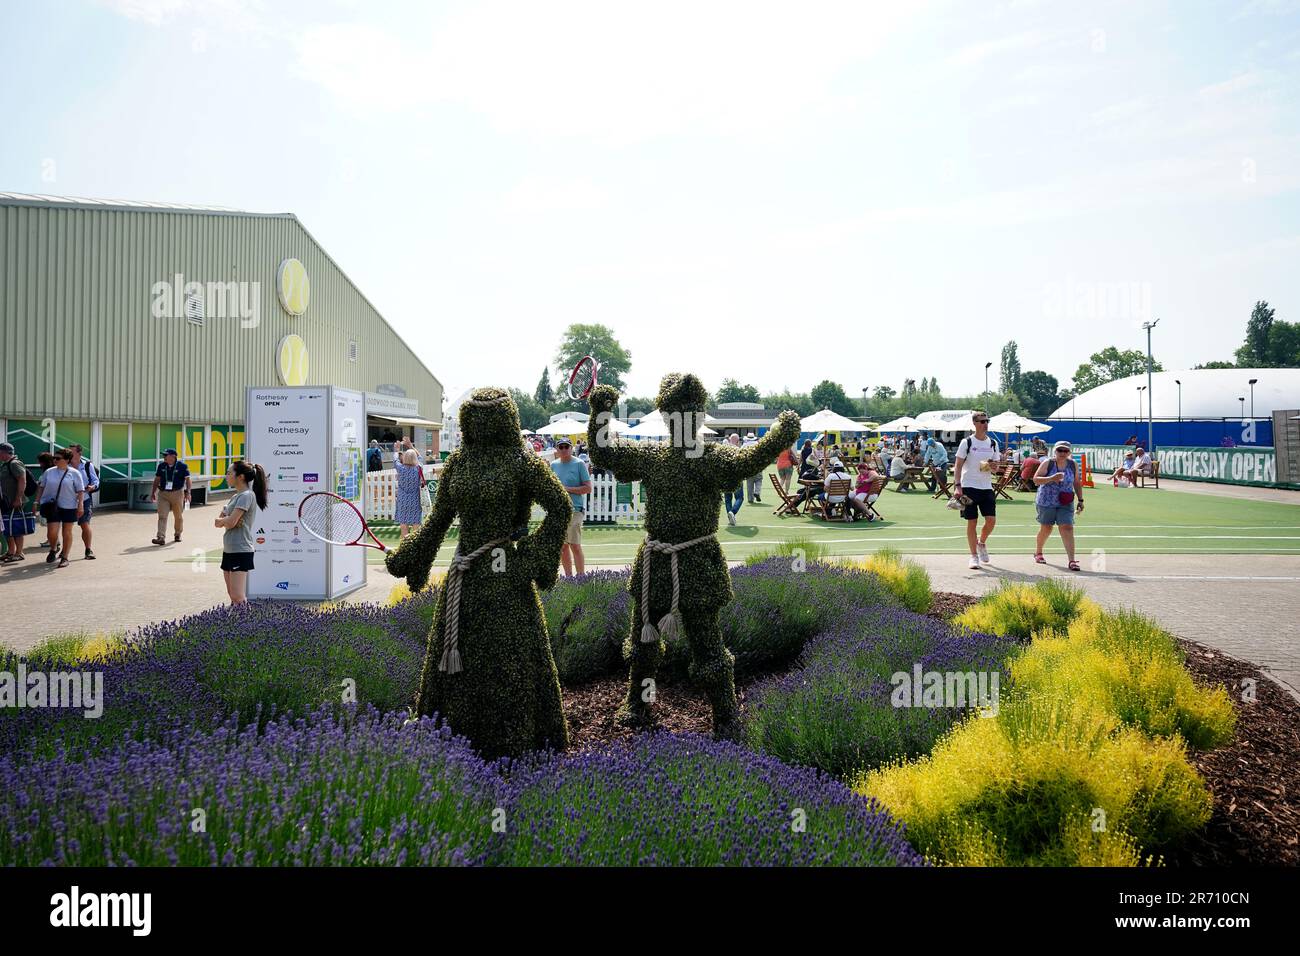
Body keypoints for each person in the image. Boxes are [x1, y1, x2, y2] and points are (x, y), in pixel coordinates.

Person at [214, 460, 267, 605]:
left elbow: (229, 522)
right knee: (232, 595)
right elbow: (219, 522)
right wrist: (228, 520)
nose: (226, 476)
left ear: (241, 477)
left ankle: (248, 626)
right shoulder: (234, 497)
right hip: (229, 549)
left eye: (229, 473)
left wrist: (227, 520)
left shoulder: (247, 496)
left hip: (241, 549)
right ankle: (237, 625)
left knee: (238, 596)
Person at [953, 413, 999, 570]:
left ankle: (982, 543)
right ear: (975, 423)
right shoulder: (967, 442)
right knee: (972, 521)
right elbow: (958, 465)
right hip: (968, 486)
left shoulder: (993, 443)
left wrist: (994, 467)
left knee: (991, 520)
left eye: (987, 421)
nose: (985, 424)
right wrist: (957, 486)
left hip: (986, 486)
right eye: (982, 421)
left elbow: (996, 467)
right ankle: (973, 556)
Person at [1033, 441, 1084, 570]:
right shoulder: (1048, 463)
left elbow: (1077, 483)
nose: (1062, 453)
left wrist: (1081, 500)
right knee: (1046, 528)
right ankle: (1038, 552)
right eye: (1059, 450)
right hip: (1046, 500)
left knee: (1067, 527)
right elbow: (1035, 479)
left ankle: (1072, 560)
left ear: (1069, 452)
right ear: (1055, 451)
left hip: (1065, 500)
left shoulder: (1073, 464)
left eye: (1065, 451)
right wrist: (1051, 478)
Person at [550, 437, 591, 575]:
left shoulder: (579, 464)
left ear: (571, 448)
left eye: (566, 446)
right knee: (563, 546)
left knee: (575, 545)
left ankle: (581, 578)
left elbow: (588, 488)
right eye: (560, 447)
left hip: (575, 510)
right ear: (557, 449)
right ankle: (569, 578)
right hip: (558, 511)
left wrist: (567, 489)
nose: (563, 449)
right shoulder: (553, 465)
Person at [37, 449, 85, 569]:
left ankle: (65, 557)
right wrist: (36, 502)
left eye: (58, 458)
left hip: (69, 506)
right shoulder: (49, 472)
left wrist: (80, 506)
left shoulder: (74, 473)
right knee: (51, 532)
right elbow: (41, 487)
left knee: (67, 531)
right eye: (54, 458)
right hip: (52, 506)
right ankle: (53, 548)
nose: (55, 460)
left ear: (67, 460)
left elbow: (80, 490)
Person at [1, 442, 35, 564]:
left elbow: (22, 480)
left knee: (16, 526)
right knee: (7, 526)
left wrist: (18, 498)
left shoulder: (15, 463)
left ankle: (19, 553)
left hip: (15, 501)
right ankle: (11, 552)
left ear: (4, 452)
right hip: (6, 502)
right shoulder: (5, 464)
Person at [150, 448, 192, 545]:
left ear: (173, 457)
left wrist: (188, 492)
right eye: (163, 455)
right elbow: (157, 479)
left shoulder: (182, 466)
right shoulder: (161, 466)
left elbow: (188, 480)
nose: (164, 457)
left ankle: (178, 534)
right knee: (162, 516)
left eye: (166, 455)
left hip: (177, 493)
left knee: (178, 516)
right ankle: (161, 537)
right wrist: (153, 492)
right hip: (163, 493)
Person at [67, 444, 98, 561]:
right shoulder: (64, 465)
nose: (69, 453)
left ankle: (88, 550)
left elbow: (95, 480)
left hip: (84, 499)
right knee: (66, 526)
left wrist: (92, 486)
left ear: (79, 453)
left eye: (71, 451)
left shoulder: (87, 465)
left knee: (84, 524)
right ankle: (63, 552)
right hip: (67, 500)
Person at [393, 448, 427, 541]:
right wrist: (411, 445)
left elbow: (395, 459)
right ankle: (416, 548)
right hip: (415, 500)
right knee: (416, 526)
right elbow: (420, 457)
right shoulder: (419, 468)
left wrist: (396, 449)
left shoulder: (400, 468)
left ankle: (404, 548)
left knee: (404, 527)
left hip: (403, 501)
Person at [722, 433, 745, 525]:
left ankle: (730, 516)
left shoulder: (723, 451)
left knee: (728, 498)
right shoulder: (739, 450)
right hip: (736, 477)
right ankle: (733, 512)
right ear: (738, 441)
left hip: (725, 477)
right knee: (739, 497)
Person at [822, 456, 853, 521]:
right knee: (847, 497)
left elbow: (825, 488)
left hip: (830, 498)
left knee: (820, 496)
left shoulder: (831, 476)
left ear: (834, 468)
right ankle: (831, 510)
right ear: (842, 468)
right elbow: (852, 488)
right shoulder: (848, 476)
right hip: (843, 498)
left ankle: (827, 511)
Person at [741, 433, 764, 503]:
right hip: (758, 466)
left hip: (748, 467)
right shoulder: (758, 444)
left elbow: (740, 454)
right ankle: (757, 492)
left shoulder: (744, 445)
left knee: (749, 483)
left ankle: (750, 499)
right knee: (759, 480)